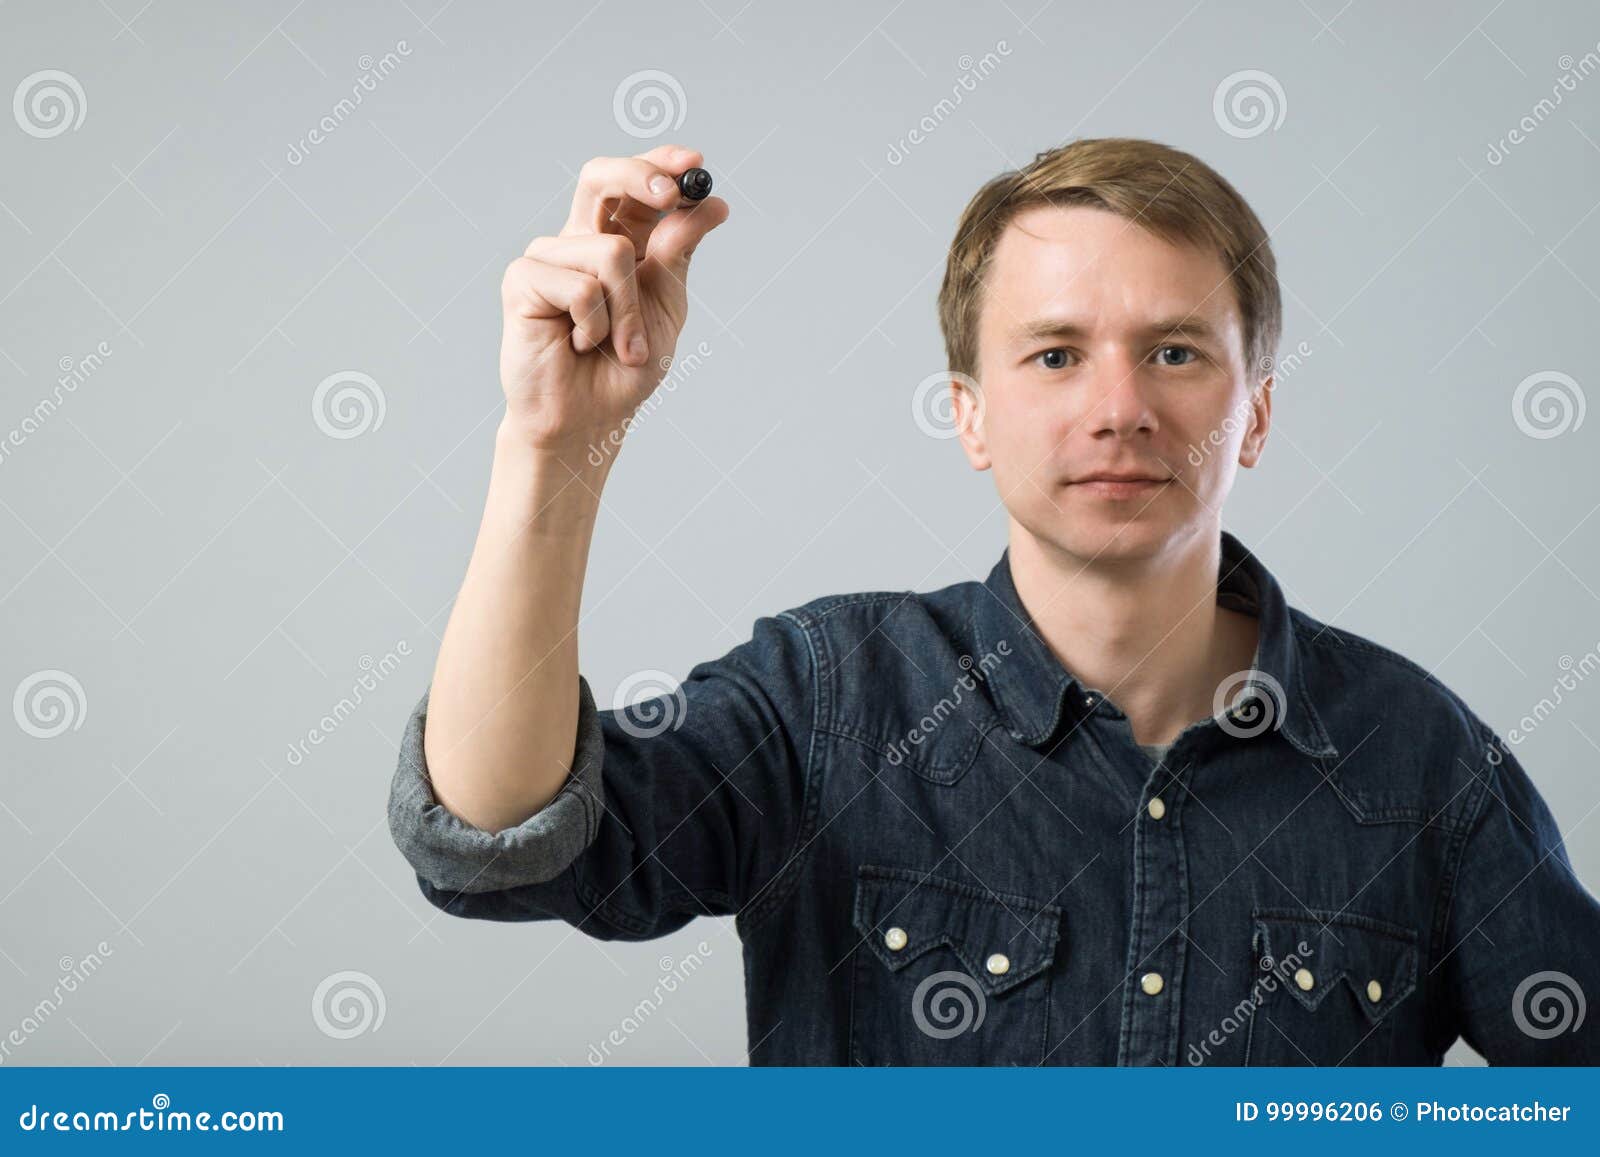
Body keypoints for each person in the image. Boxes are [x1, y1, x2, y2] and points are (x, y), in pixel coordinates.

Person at [386, 137, 1599, 1065]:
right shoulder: (826, 700)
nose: (1118, 408)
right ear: (968, 413)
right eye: (1055, 354)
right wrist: (552, 444)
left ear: (1257, 414)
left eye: (1175, 352)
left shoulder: (1418, 758)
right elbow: (498, 833)